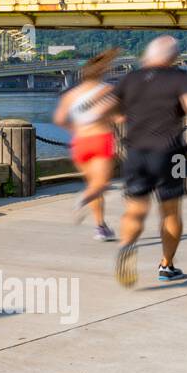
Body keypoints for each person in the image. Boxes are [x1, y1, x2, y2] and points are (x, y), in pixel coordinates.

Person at [111, 36, 187, 286]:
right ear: (173, 58)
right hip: (171, 153)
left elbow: (110, 111)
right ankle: (167, 265)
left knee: (135, 208)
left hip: (136, 152)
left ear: (148, 55)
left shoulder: (130, 79)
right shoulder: (180, 78)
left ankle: (126, 246)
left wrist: (125, 118)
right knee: (170, 210)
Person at [53, 49, 120, 241]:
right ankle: (82, 199)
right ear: (102, 72)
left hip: (79, 143)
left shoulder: (71, 94)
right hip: (101, 139)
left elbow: (59, 118)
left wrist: (74, 127)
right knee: (101, 185)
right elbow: (114, 114)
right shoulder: (106, 90)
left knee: (93, 185)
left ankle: (101, 227)